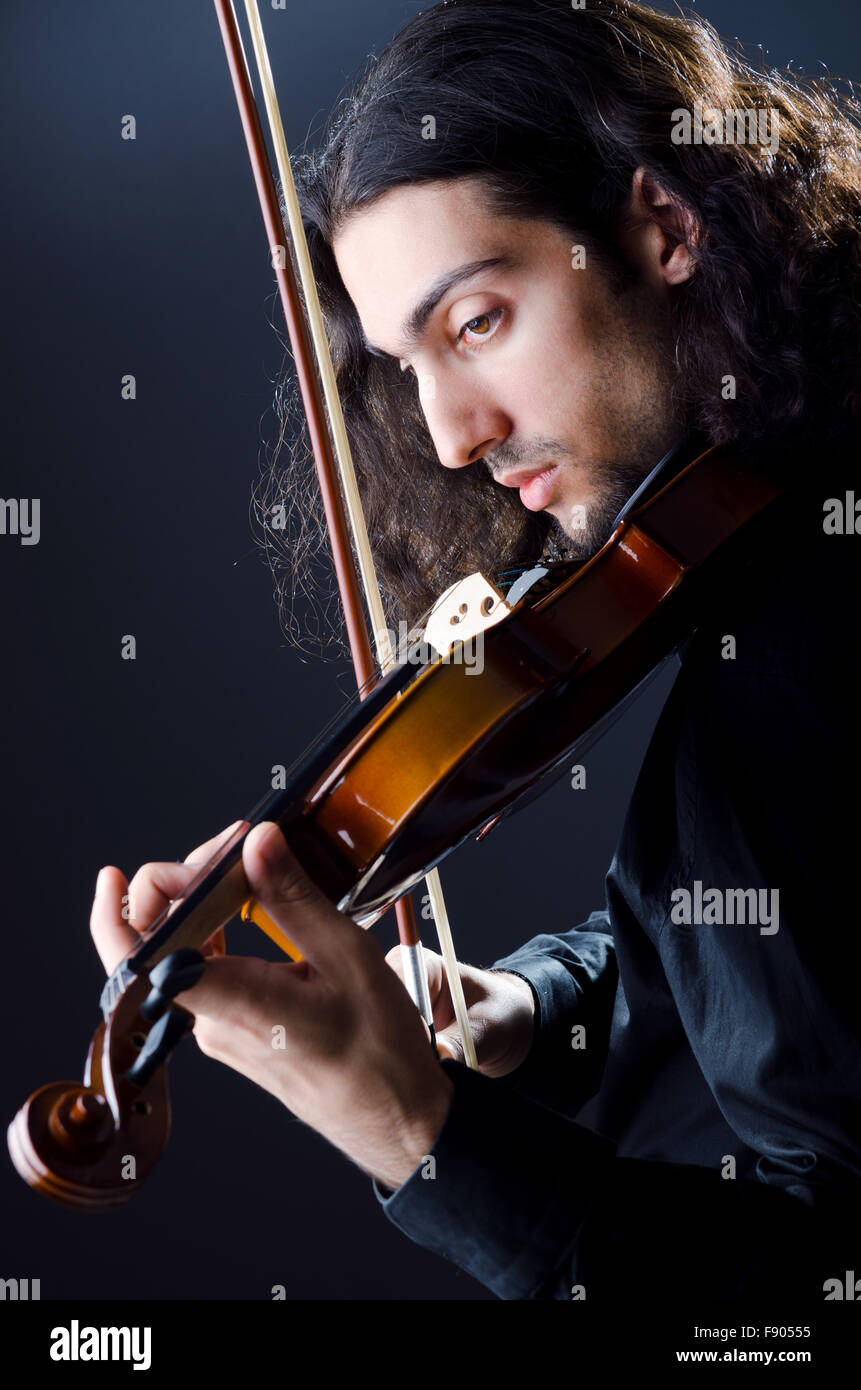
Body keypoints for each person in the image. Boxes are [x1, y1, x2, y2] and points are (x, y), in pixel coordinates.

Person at [90, 0, 861, 1302]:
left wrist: (418, 1135)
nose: (447, 435)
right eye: (403, 363)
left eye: (478, 322)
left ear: (664, 230)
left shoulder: (801, 657)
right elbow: (781, 947)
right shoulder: (774, 550)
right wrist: (530, 1007)